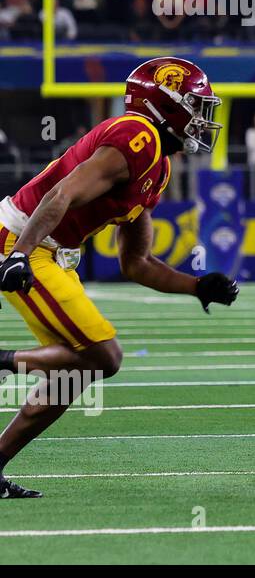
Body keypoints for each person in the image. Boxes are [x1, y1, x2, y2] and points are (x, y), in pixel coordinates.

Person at [0, 58, 239, 497]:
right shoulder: (137, 135)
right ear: (167, 103)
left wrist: (197, 286)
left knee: (75, 373)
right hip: (23, 241)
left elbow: (136, 263)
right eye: (196, 106)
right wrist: (17, 255)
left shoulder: (159, 165)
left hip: (48, 252)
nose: (203, 119)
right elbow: (61, 193)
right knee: (105, 356)